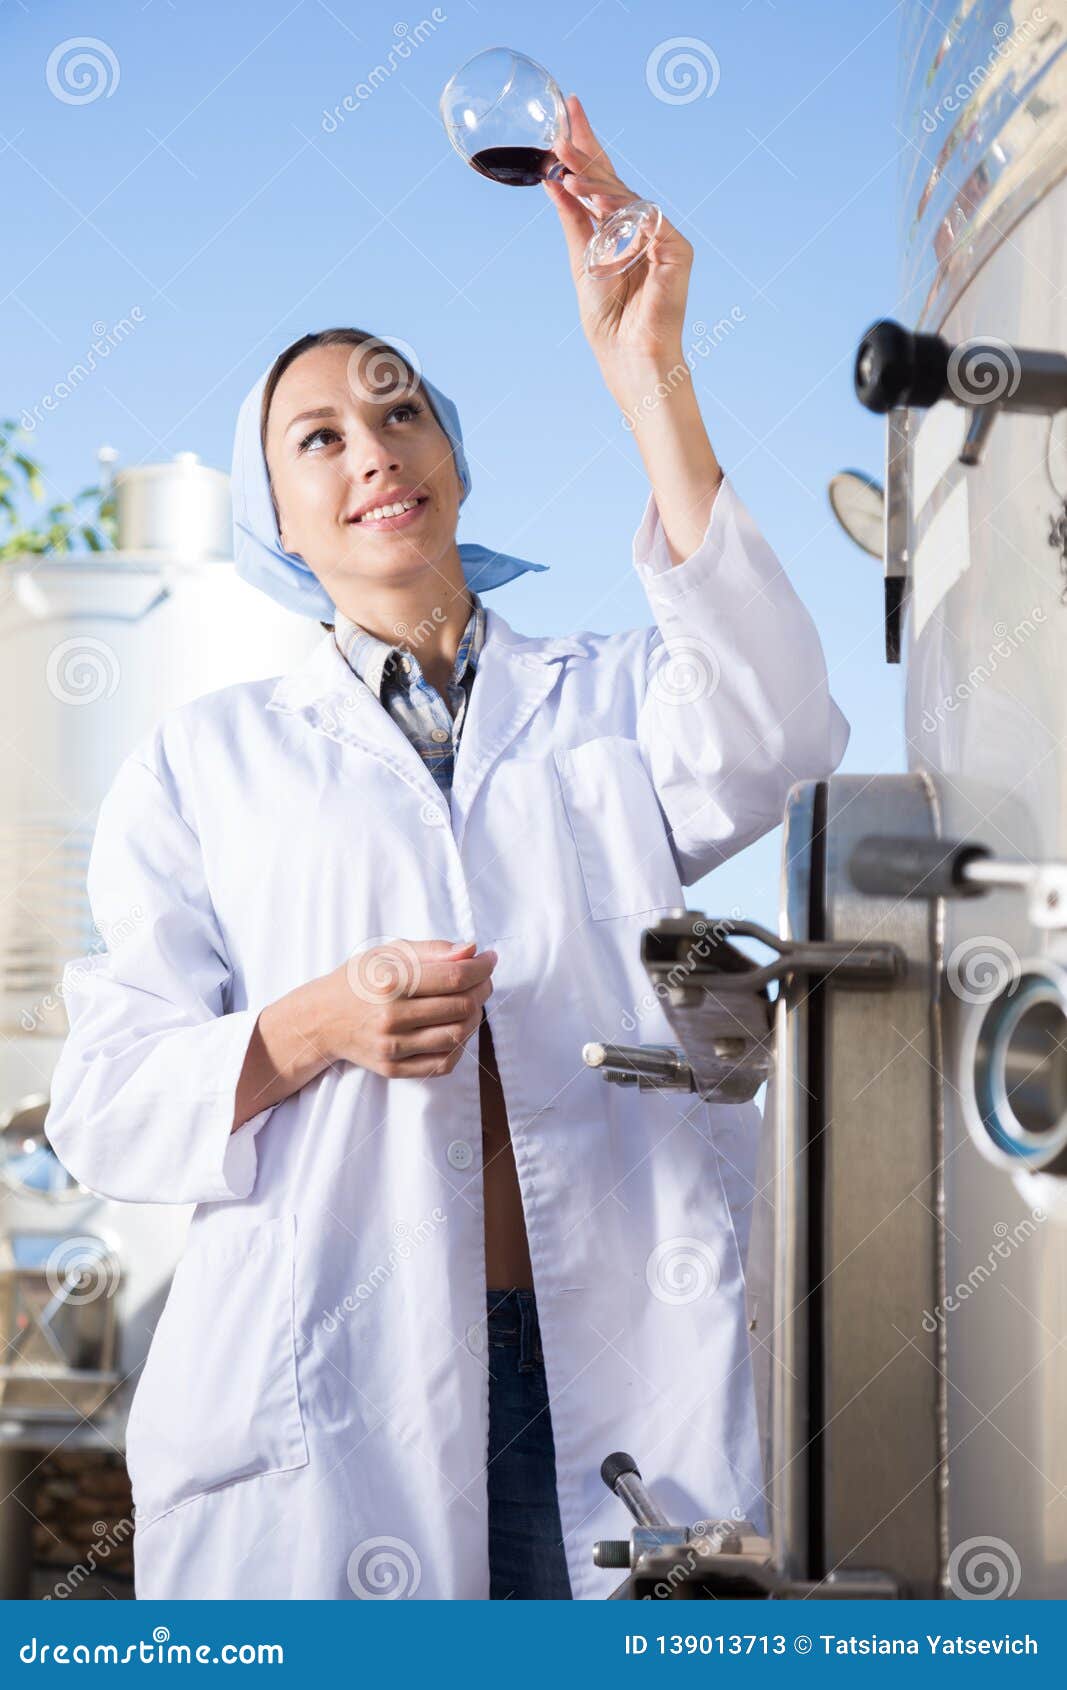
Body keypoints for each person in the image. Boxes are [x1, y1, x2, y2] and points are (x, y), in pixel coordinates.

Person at [44, 96, 849, 1600]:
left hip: (621, 1361)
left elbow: (781, 733)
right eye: (321, 437)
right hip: (341, 1386)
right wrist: (309, 1025)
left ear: (456, 460)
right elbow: (103, 1101)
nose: (373, 449)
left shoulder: (609, 696)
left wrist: (652, 377)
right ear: (277, 523)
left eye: (401, 411)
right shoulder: (205, 765)